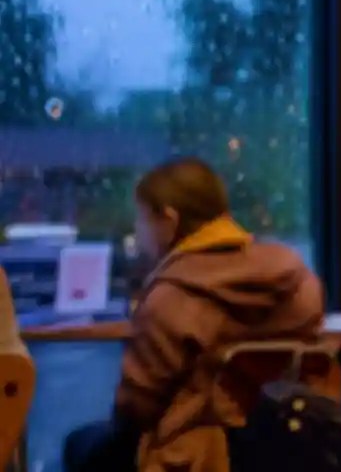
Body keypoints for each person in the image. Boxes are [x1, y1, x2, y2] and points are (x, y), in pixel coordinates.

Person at [64, 157, 324, 472]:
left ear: (169, 220)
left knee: (80, 443)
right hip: (287, 441)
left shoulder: (172, 295)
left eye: (142, 219)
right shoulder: (297, 279)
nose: (137, 230)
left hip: (192, 453)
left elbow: (136, 407)